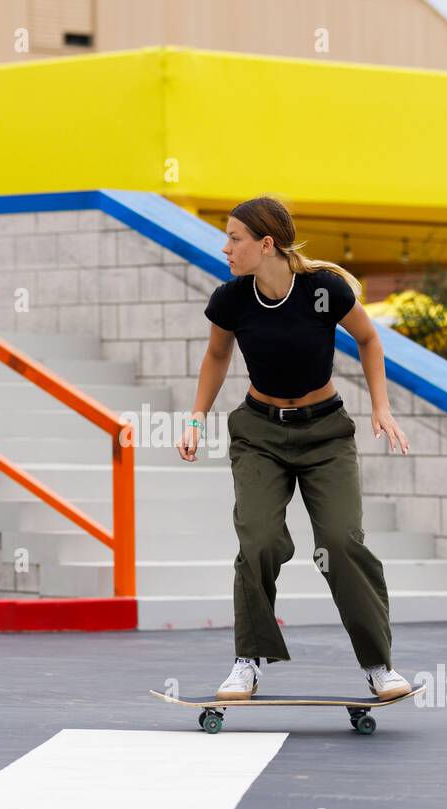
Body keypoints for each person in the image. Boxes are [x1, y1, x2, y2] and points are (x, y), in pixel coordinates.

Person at [177, 195, 413, 703]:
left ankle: (378, 665)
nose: (226, 248)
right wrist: (197, 415)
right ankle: (248, 662)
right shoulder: (232, 299)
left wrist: (382, 406)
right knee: (258, 539)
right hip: (259, 434)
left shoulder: (323, 291)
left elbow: (370, 340)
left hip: (325, 434)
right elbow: (217, 355)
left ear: (266, 244)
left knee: (342, 543)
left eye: (234, 239)